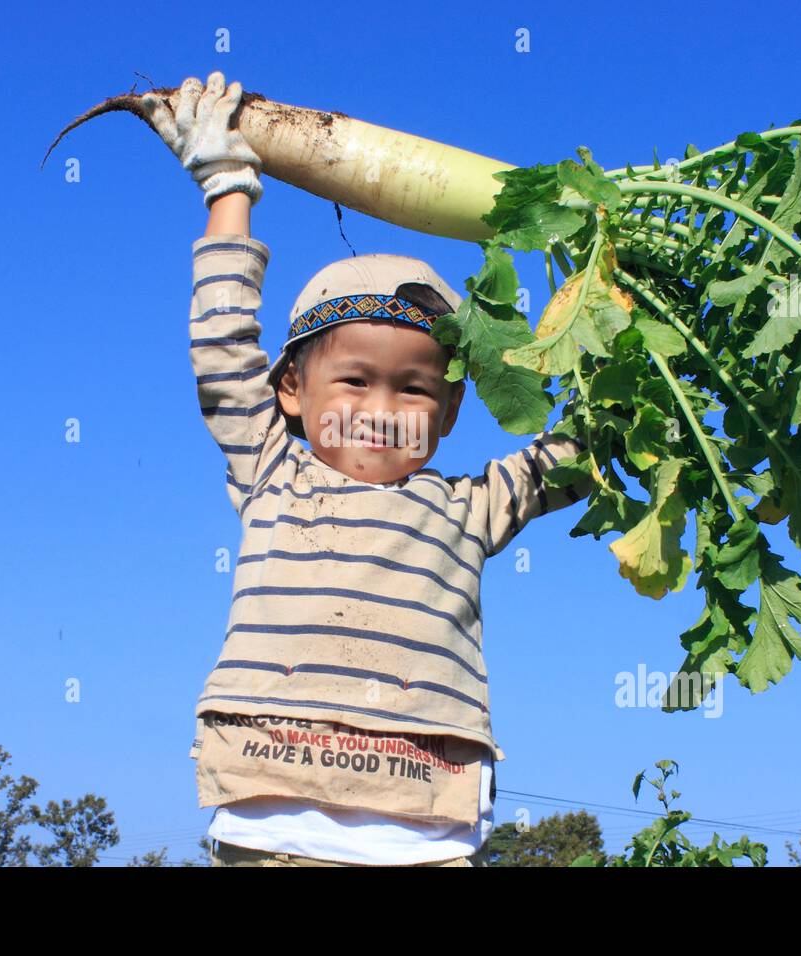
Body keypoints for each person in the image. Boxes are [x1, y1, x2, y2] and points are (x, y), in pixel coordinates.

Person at [157, 71, 594, 866]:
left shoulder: (467, 506)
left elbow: (577, 452)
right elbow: (223, 349)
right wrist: (228, 188)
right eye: (353, 380)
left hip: (422, 835)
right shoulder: (271, 471)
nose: (380, 407)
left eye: (415, 388)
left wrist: (614, 311)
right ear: (290, 389)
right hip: (271, 826)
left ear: (452, 412)